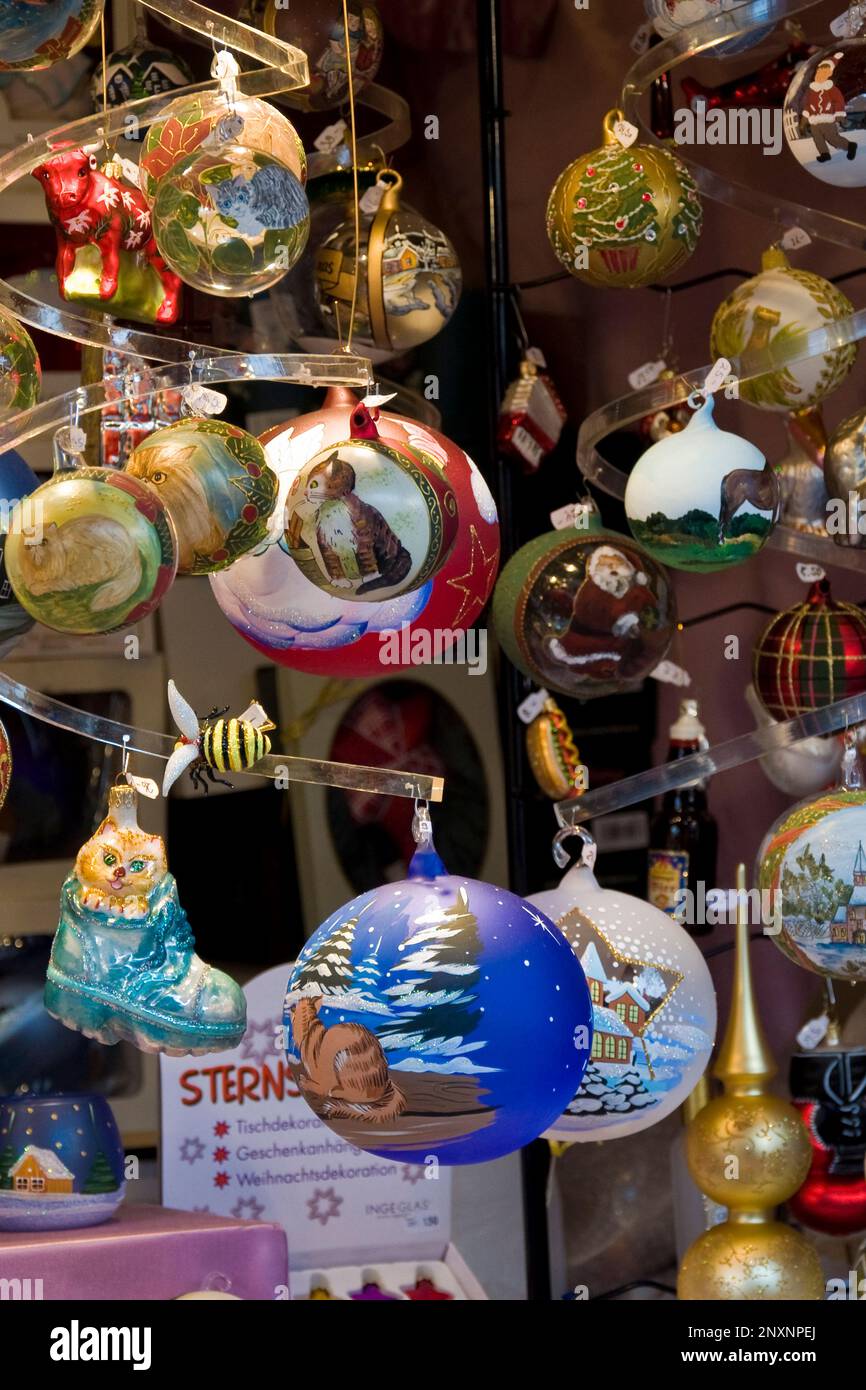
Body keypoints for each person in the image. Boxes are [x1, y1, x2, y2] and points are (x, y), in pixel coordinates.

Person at [801, 54, 857, 164]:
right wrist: (805, 118)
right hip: (814, 119)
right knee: (817, 138)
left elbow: (839, 101)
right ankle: (824, 154)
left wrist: (839, 115)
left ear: (829, 74)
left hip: (827, 118)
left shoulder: (831, 88)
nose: (820, 74)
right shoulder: (812, 90)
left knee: (832, 138)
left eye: (824, 73)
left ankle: (849, 146)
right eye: (819, 72)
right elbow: (808, 104)